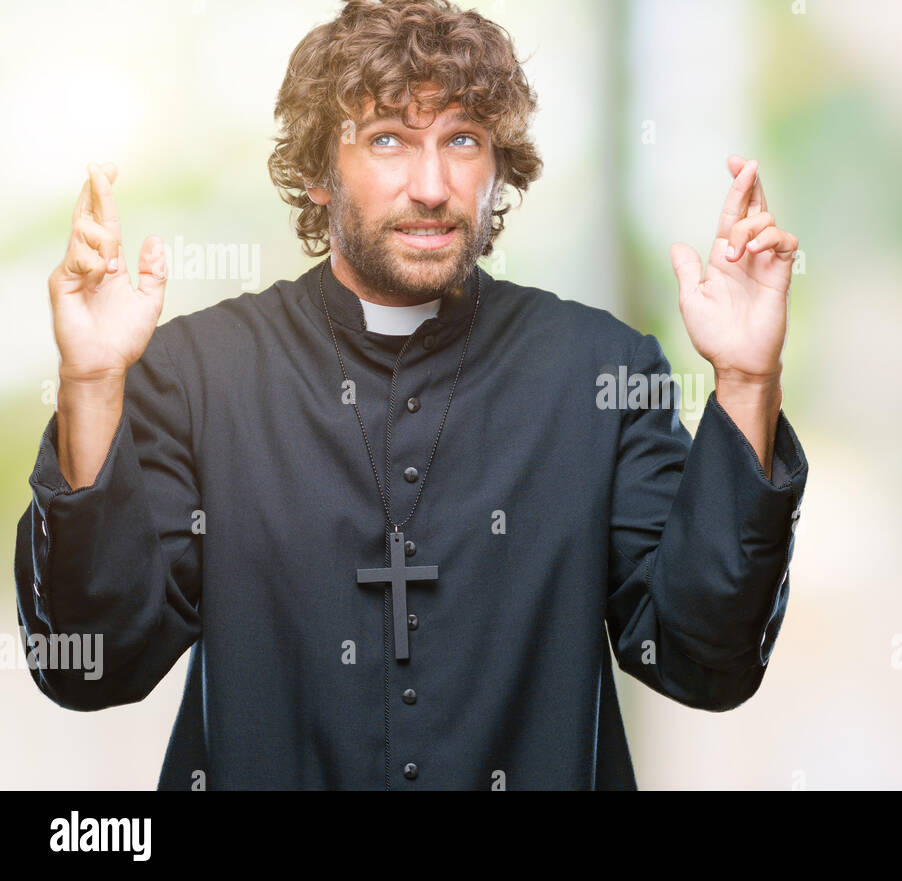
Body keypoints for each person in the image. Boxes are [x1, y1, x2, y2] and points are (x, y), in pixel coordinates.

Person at [15, 0, 807, 790]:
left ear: (499, 167)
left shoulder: (600, 369)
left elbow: (708, 660)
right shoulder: (198, 372)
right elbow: (97, 663)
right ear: (317, 172)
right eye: (388, 139)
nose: (432, 186)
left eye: (462, 139)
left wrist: (744, 379)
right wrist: (88, 384)